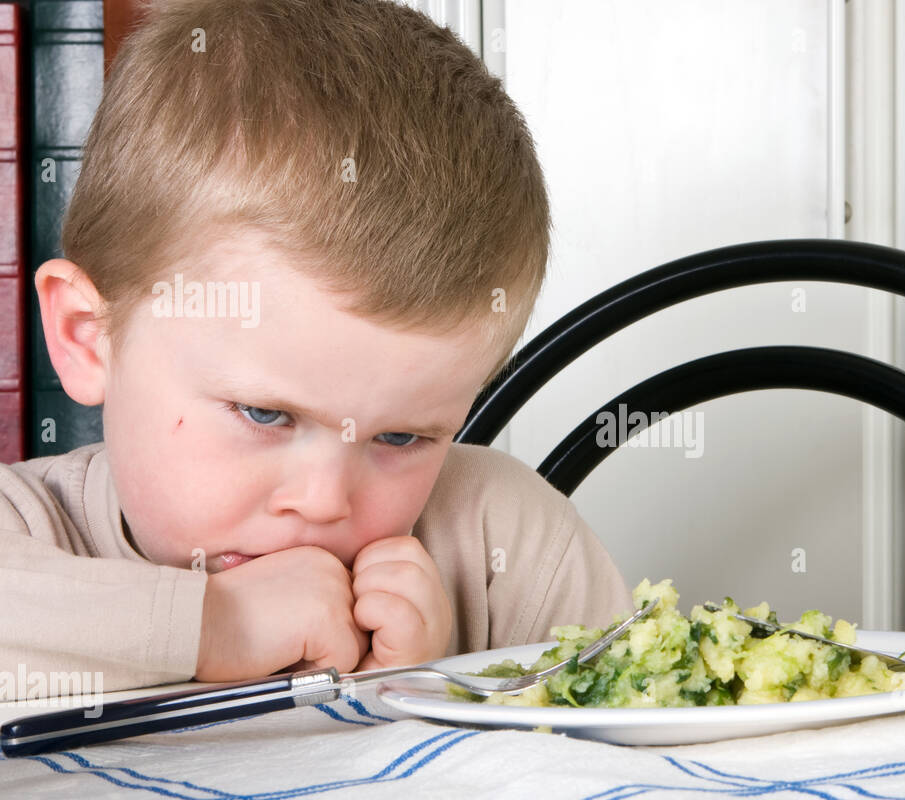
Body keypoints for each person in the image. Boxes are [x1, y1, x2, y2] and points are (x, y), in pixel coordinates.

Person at [0, 0, 634, 702]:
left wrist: (446, 690)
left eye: (402, 435)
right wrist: (220, 625)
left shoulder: (508, 553)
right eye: (265, 415)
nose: (325, 501)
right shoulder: (28, 531)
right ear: (89, 336)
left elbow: (658, 773)